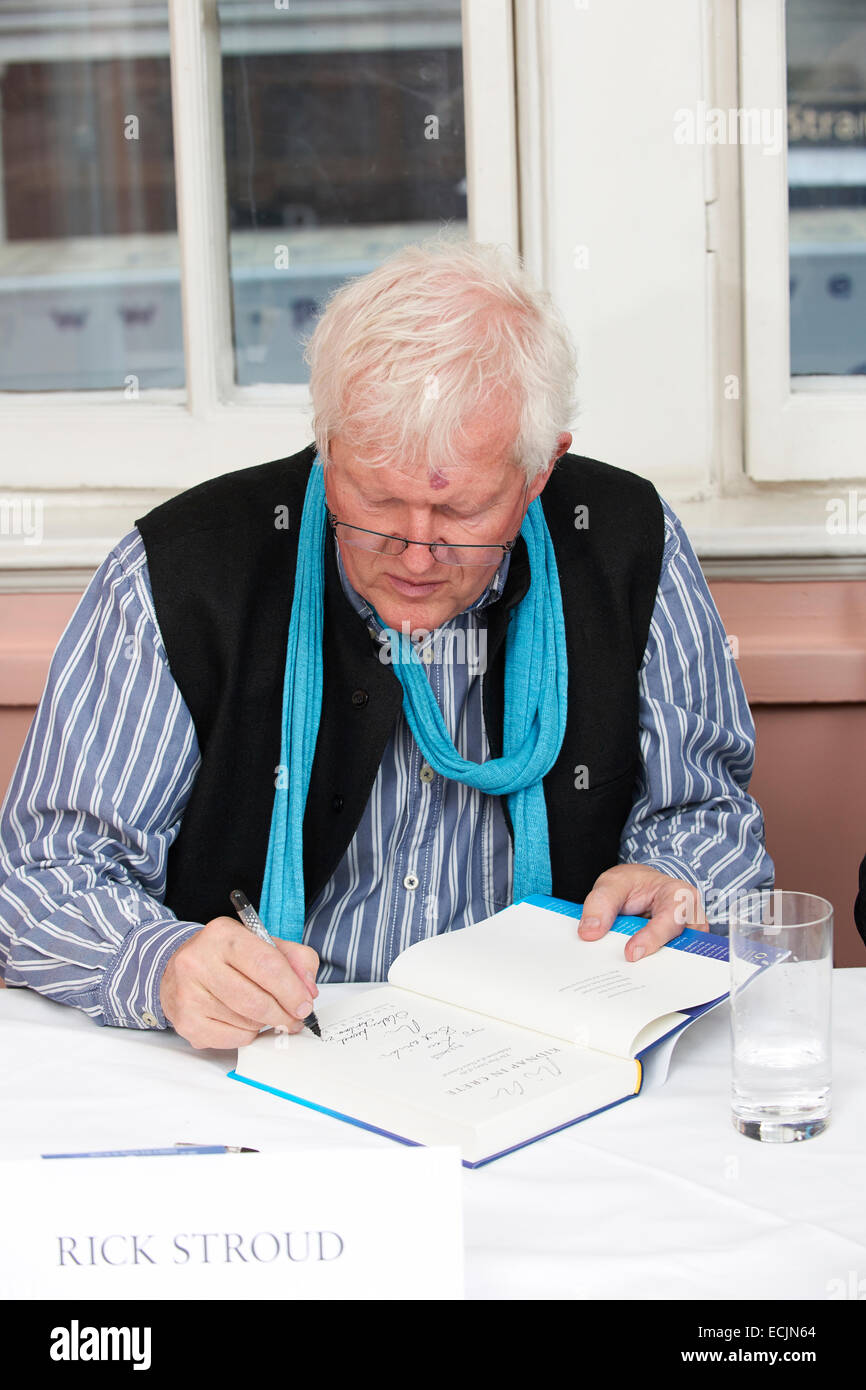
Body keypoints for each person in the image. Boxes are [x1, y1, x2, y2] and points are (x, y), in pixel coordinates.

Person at [0, 240, 772, 1050]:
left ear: (542, 469)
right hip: (265, 1063)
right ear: (328, 447)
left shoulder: (628, 545)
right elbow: (42, 876)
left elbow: (710, 819)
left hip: (548, 1054)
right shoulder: (178, 572)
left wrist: (680, 882)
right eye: (376, 501)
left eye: (461, 514)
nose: (414, 554)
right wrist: (161, 963)